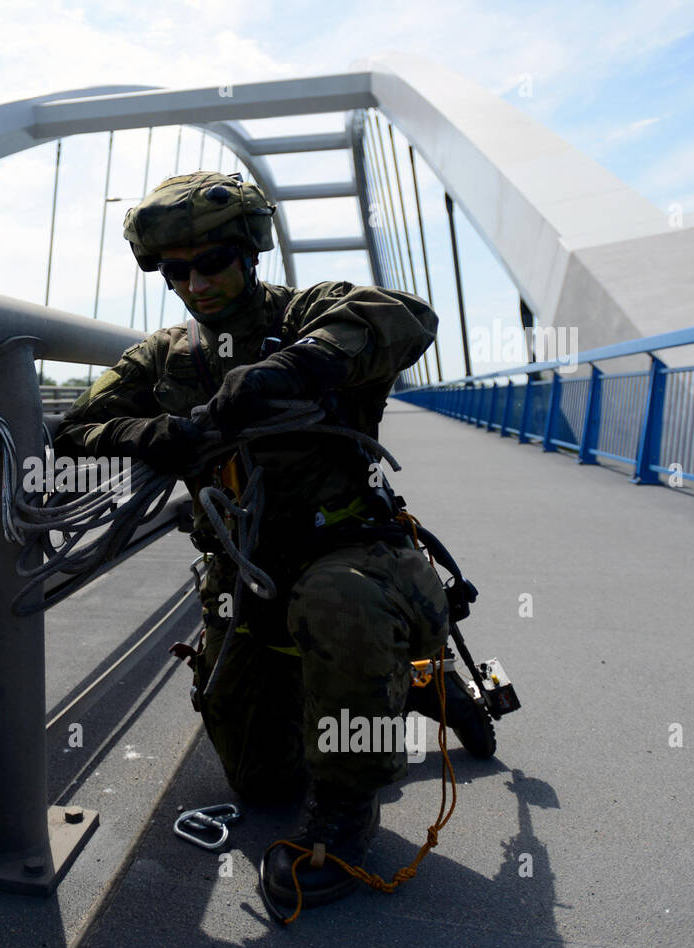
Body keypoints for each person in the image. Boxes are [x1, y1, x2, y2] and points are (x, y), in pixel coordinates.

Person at [53, 170, 454, 909]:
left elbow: (409, 317)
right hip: (245, 581)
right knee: (262, 782)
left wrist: (289, 368)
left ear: (250, 253)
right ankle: (381, 686)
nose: (196, 284)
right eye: (177, 272)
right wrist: (152, 432)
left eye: (213, 263)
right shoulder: (166, 356)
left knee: (338, 604)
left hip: (345, 554)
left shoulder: (305, 314)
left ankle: (347, 806)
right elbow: (75, 429)